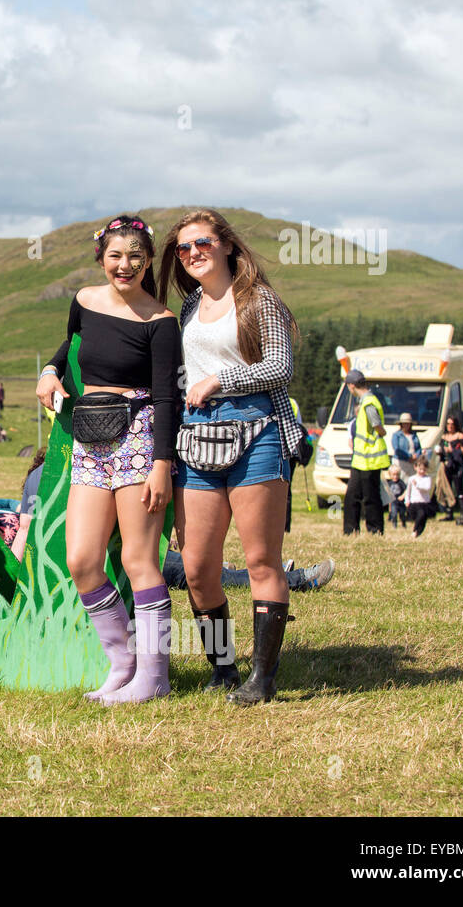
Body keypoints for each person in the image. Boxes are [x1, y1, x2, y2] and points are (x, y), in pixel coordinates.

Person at [157, 208, 307, 706]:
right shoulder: (189, 306)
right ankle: (223, 669)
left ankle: (262, 679)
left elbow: (281, 367)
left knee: (261, 558)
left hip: (257, 427)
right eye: (183, 248)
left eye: (201, 243)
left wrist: (223, 379)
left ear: (225, 245)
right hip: (196, 436)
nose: (192, 253)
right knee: (198, 566)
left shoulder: (259, 300)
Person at [38, 214, 180, 706]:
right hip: (89, 438)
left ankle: (155, 675)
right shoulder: (83, 301)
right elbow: (73, 345)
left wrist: (163, 464)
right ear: (101, 257)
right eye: (115, 256)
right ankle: (122, 664)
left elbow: (167, 398)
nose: (125, 266)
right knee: (81, 559)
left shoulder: (161, 323)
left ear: (147, 262)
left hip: (140, 437)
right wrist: (51, 370)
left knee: (138, 559)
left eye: (135, 257)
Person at [9, 458, 335, 591]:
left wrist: (17, 577)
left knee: (203, 568)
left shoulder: (37, 478)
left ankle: (282, 572)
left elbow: (24, 530)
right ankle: (295, 578)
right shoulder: (52, 474)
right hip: (126, 556)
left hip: (118, 555)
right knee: (205, 572)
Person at [341, 369, 388, 535]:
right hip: (361, 459)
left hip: (370, 458)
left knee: (371, 497)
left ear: (352, 386)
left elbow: (377, 425)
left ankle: (375, 530)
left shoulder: (368, 403)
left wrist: (382, 433)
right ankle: (350, 530)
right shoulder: (367, 401)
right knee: (352, 496)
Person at [439, 414, 463, 523]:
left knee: (459, 488)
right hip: (447, 465)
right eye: (448, 424)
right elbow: (442, 449)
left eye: (452, 424)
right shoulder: (444, 437)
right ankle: (449, 512)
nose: (450, 426)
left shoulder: (459, 436)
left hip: (457, 464)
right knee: (447, 488)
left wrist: (453, 451)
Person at [405, 455, 435, 537]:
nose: (422, 471)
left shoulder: (427, 478)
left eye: (424, 470)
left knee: (423, 518)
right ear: (415, 467)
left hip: (424, 503)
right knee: (420, 516)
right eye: (420, 469)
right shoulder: (412, 479)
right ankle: (415, 530)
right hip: (414, 502)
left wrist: (417, 485)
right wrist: (407, 500)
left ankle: (417, 532)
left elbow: (427, 488)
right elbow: (408, 491)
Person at [385, 465, 407, 529]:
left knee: (402, 514)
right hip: (393, 502)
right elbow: (387, 492)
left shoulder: (401, 482)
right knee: (393, 514)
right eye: (393, 475)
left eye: (397, 475)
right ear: (390, 475)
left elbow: (406, 490)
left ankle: (403, 523)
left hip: (400, 501)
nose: (395, 476)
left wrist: (403, 496)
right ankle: (394, 525)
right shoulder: (389, 483)